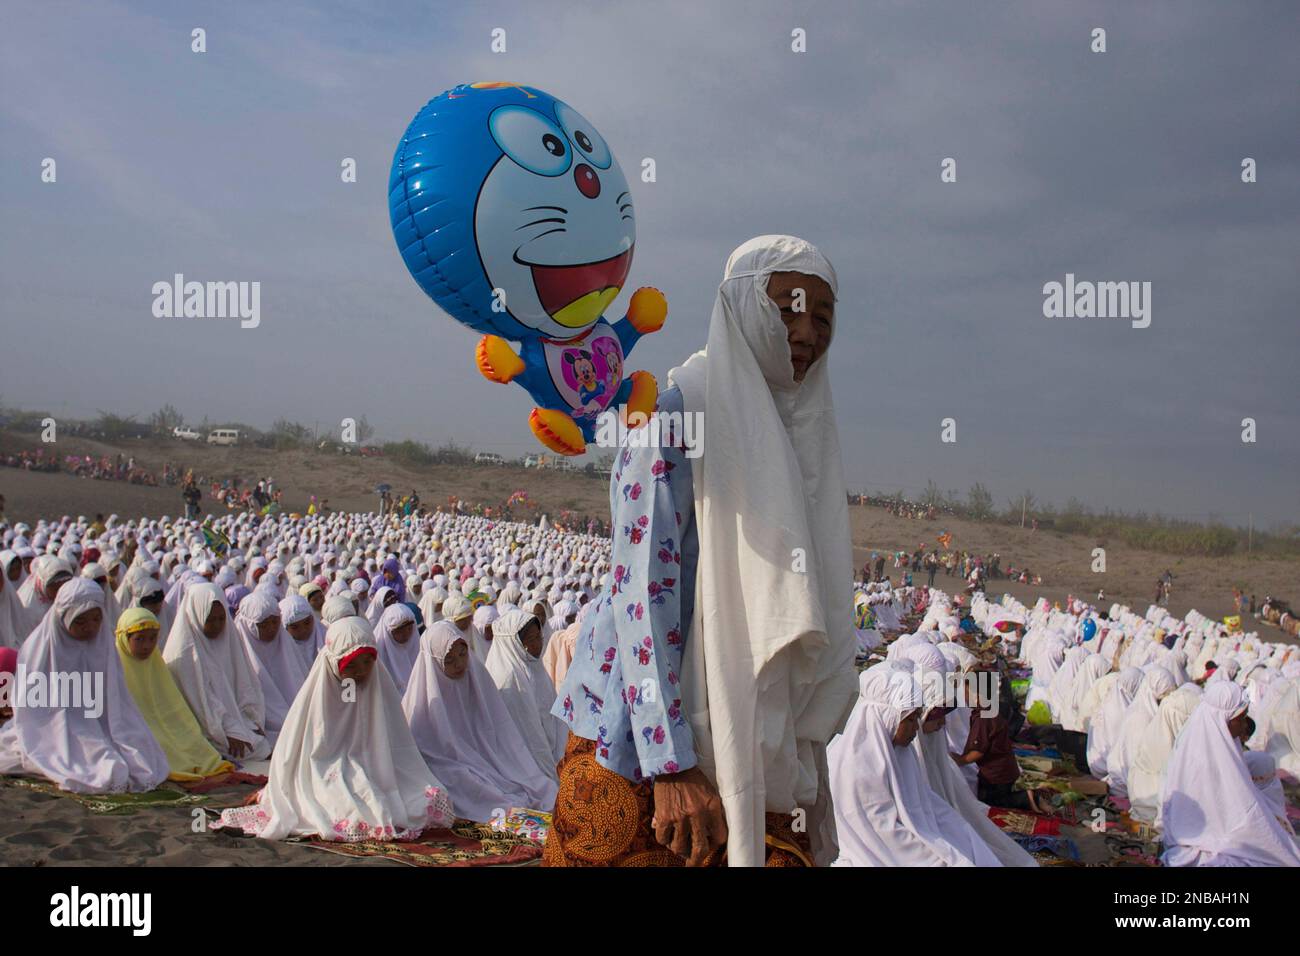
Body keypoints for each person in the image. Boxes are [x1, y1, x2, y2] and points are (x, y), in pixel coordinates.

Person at [549, 236, 856, 867]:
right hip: (646, 744)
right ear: (743, 307)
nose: (804, 331)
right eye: (787, 308)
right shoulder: (670, 422)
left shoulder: (801, 440)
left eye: (821, 317)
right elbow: (641, 593)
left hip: (757, 740)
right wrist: (671, 764)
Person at [216, 616, 455, 841]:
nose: (361, 671)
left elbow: (398, 746)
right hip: (325, 770)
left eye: (367, 662)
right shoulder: (319, 695)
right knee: (348, 809)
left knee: (427, 799)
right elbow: (305, 753)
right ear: (334, 662)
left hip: (378, 768)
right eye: (351, 665)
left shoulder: (378, 684)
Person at [0, 579, 170, 793]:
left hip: (98, 722)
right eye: (80, 621)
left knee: (142, 757)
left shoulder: (103, 645)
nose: (90, 627)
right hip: (51, 725)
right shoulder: (40, 649)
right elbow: (35, 710)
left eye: (96, 619)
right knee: (105, 768)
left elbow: (114, 699)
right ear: (64, 617)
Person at [828, 662, 1001, 866]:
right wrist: (939, 856)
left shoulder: (901, 752)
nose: (916, 728)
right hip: (880, 847)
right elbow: (882, 833)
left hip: (904, 837)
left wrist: (957, 834)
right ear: (887, 719)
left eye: (918, 718)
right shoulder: (857, 767)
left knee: (968, 842)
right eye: (910, 720)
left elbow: (922, 802)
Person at [402, 620, 558, 822]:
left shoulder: (476, 675)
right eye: (448, 660)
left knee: (524, 779)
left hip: (486, 755)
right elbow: (427, 750)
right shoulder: (422, 698)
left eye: (462, 654)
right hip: (448, 765)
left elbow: (500, 727)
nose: (459, 664)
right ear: (434, 661)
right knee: (466, 782)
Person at [1159, 681, 1300, 866]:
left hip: (1219, 836)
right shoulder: (1200, 756)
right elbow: (1230, 819)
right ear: (1223, 719)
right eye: (1240, 718)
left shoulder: (1221, 745)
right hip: (1204, 844)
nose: (1244, 726)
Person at [115, 607, 235, 781]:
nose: (147, 646)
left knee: (191, 738)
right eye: (139, 639)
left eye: (152, 639)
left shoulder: (156, 663)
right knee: (156, 744)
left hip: (163, 724)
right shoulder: (115, 668)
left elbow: (172, 707)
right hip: (134, 729)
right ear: (124, 638)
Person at [162, 583, 270, 761]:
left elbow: (244, 683)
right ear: (196, 616)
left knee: (261, 745)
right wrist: (228, 730)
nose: (218, 625)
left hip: (230, 719)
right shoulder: (182, 653)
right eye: (210, 620)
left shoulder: (228, 638)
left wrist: (251, 718)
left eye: (221, 619)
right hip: (203, 725)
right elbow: (200, 700)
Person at [486, 608, 565, 781]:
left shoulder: (533, 664)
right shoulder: (508, 679)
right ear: (514, 643)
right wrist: (554, 774)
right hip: (529, 762)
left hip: (552, 750)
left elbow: (553, 713)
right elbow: (531, 737)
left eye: (539, 637)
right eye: (532, 639)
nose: (539, 644)